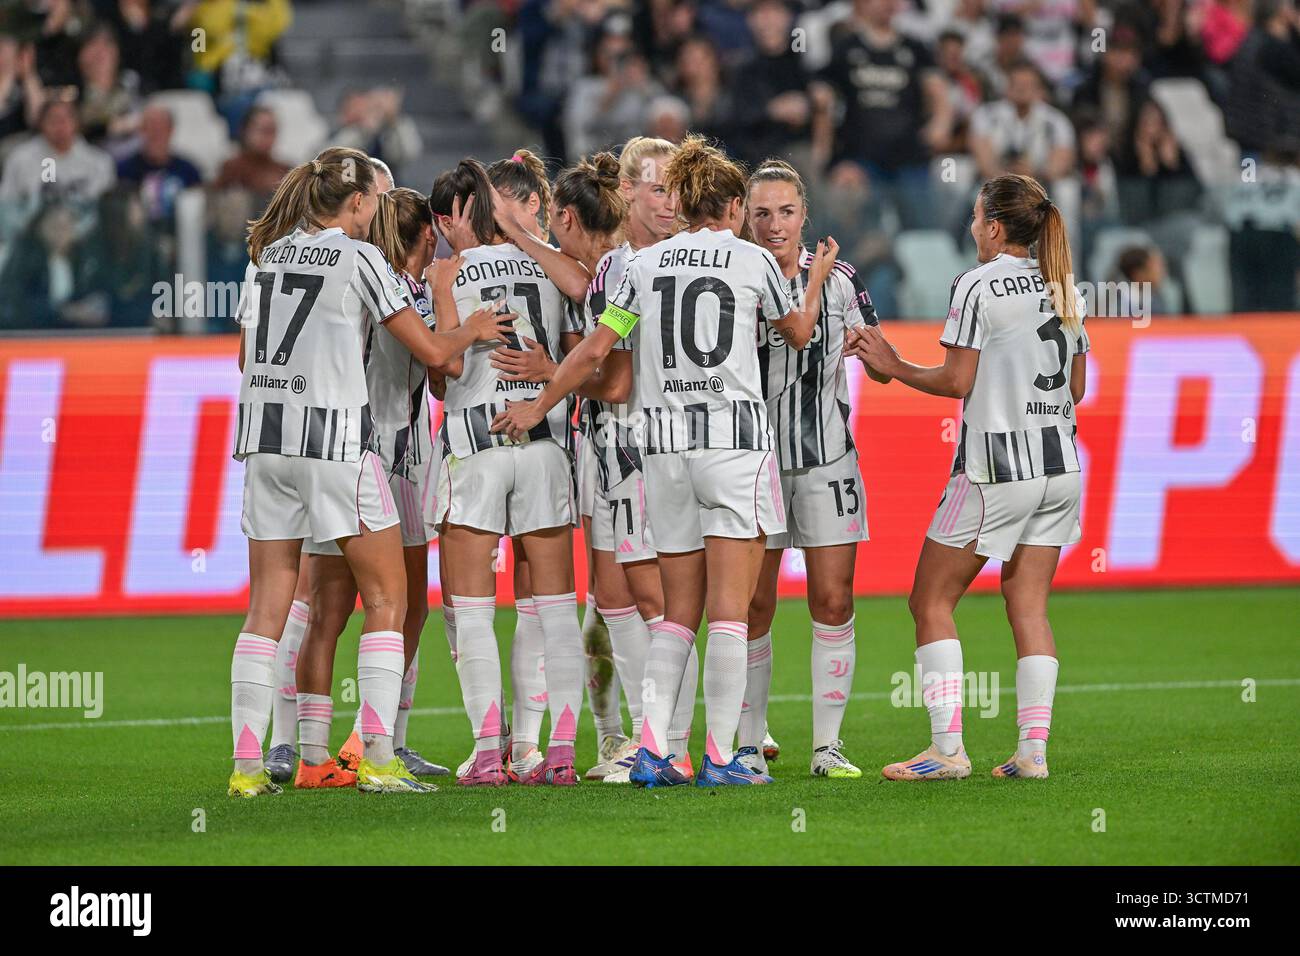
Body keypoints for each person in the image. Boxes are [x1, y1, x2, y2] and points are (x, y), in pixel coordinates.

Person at [492, 135, 822, 788]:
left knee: (675, 612)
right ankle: (722, 759)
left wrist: (537, 406)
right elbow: (798, 333)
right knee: (728, 610)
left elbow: (593, 352)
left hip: (663, 452)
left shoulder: (641, 267)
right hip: (734, 446)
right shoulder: (753, 264)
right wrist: (806, 286)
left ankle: (652, 750)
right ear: (731, 205)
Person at [226, 146, 512, 798]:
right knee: (389, 599)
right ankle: (379, 757)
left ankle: (247, 768)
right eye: (372, 203)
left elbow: (245, 358)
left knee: (266, 609)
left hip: (264, 446)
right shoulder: (359, 259)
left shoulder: (268, 255)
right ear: (355, 203)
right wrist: (469, 327)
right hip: (335, 446)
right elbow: (435, 352)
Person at [848, 173, 1088, 781]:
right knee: (1028, 604)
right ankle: (1033, 753)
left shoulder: (977, 285)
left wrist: (894, 366)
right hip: (1061, 465)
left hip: (995, 468)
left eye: (977, 218)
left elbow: (956, 381)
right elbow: (1077, 388)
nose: (971, 228)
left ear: (995, 227)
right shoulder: (1064, 286)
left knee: (930, 599)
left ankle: (947, 749)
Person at [425, 157, 587, 788]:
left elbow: (449, 372)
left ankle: (490, 752)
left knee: (471, 607)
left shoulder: (449, 271)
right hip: (544, 443)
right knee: (553, 607)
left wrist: (444, 292)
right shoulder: (549, 266)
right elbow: (577, 352)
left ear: (456, 216)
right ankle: (560, 752)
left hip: (477, 444)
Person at [285, 187, 454, 791]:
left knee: (322, 609)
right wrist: (459, 310)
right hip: (393, 463)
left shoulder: (342, 285)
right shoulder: (402, 294)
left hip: (328, 449)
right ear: (424, 240)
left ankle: (301, 750)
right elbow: (442, 371)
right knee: (401, 605)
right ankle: (375, 743)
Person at [742, 159, 889, 781]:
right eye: (762, 213)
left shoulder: (841, 278)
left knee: (833, 598)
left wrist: (878, 357)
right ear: (745, 219)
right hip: (754, 460)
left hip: (828, 458)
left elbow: (879, 363)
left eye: (785, 212)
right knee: (751, 604)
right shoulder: (735, 275)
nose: (775, 224)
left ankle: (827, 746)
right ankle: (747, 742)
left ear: (805, 214)